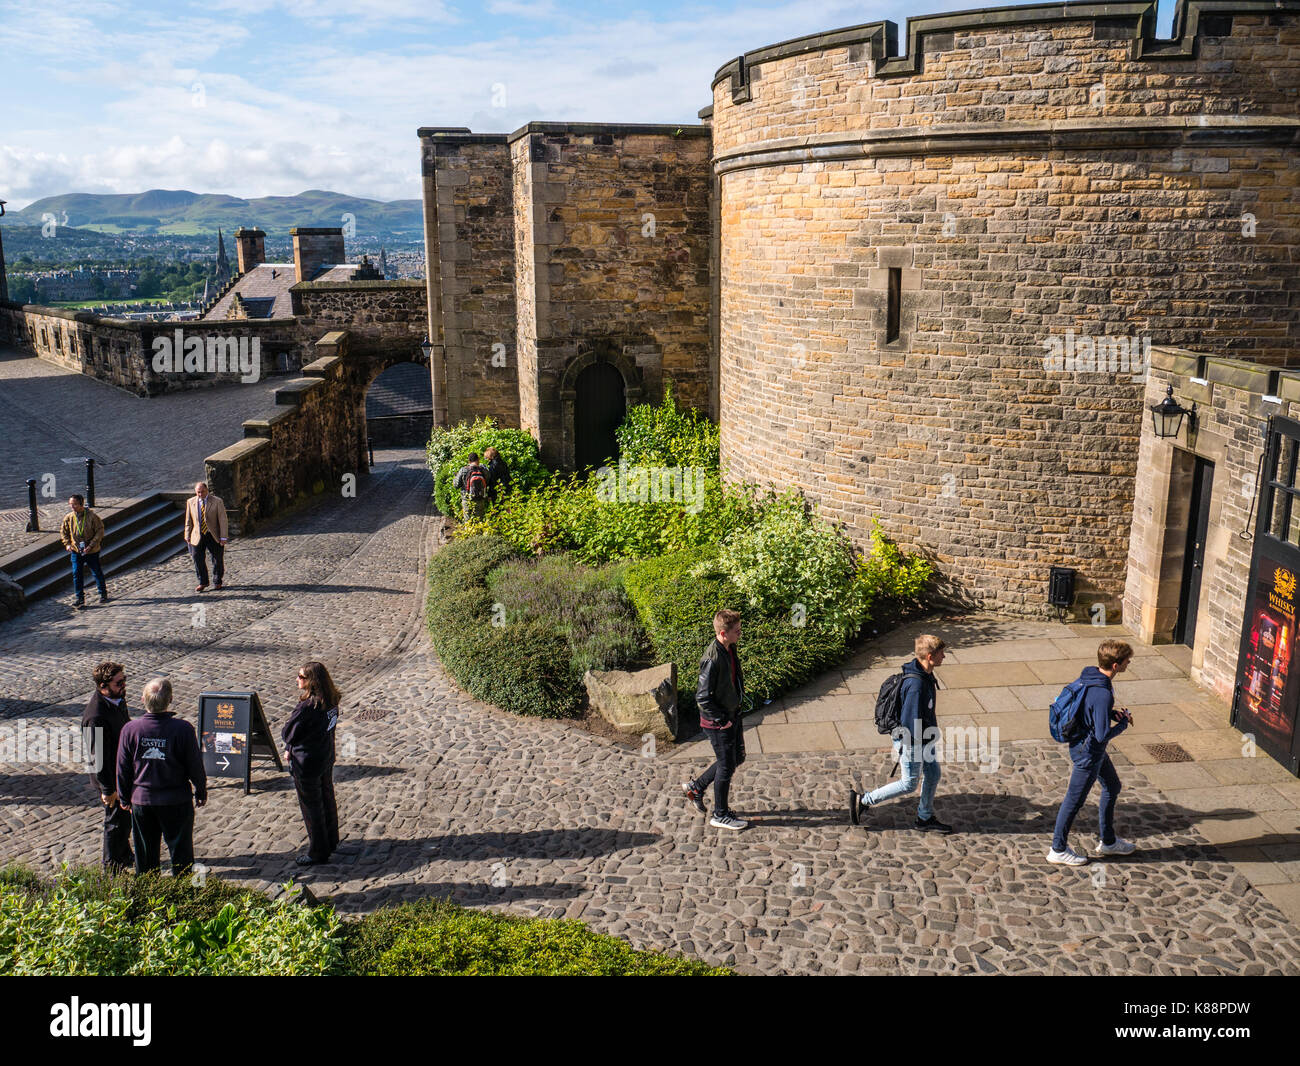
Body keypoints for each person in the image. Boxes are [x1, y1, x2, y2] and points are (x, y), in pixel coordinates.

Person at [848, 633, 953, 833]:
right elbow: (910, 723)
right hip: (914, 741)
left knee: (933, 774)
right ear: (930, 656)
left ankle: (924, 817)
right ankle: (864, 800)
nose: (944, 657)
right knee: (908, 784)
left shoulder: (924, 674)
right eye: (941, 654)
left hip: (924, 738)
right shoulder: (916, 685)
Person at [1047, 639, 1138, 866]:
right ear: (1116, 665)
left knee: (1113, 786)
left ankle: (1108, 841)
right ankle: (1057, 848)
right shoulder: (1103, 693)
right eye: (1127, 659)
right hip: (1088, 753)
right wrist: (1124, 723)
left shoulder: (1090, 676)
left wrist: (1112, 713)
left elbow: (1091, 709)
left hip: (1088, 748)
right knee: (1074, 801)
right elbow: (1101, 734)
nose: (1130, 662)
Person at [116, 677, 207, 875]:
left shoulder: (130, 730)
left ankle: (148, 893)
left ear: (142, 700)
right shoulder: (183, 729)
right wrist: (201, 790)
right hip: (176, 800)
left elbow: (123, 768)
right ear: (170, 699)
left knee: (145, 855)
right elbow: (194, 764)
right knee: (181, 853)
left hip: (143, 800)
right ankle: (183, 893)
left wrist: (124, 797)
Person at [683, 609, 749, 831]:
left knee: (736, 758)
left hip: (732, 714)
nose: (740, 634)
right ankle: (720, 815)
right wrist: (722, 720)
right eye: (737, 631)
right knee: (726, 765)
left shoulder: (729, 648)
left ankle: (696, 787)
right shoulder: (712, 659)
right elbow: (702, 697)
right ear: (723, 633)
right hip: (719, 722)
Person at [282, 661, 341, 866]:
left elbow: (288, 733)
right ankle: (331, 840)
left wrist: (290, 746)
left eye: (301, 677)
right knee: (327, 799)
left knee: (312, 807)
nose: (297, 680)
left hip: (307, 763)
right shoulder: (332, 700)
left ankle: (318, 851)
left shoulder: (307, 707)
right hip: (325, 756)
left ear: (312, 681)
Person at [81, 661, 133, 873]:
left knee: (124, 818)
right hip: (110, 778)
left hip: (121, 772)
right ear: (103, 686)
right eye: (119, 682)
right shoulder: (96, 717)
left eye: (124, 680)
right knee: (115, 821)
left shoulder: (116, 699)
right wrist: (107, 789)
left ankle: (125, 854)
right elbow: (98, 757)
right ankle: (111, 866)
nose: (123, 685)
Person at [60, 494, 108, 609]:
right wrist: (67, 544)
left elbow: (100, 531)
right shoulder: (69, 517)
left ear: (81, 504)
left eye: (75, 504)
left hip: (91, 551)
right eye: (70, 504)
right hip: (76, 551)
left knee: (96, 572)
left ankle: (103, 593)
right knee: (77, 573)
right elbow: (63, 532)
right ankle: (79, 597)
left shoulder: (92, 516)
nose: (72, 507)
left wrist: (91, 546)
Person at [183, 481, 229, 592]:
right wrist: (187, 534)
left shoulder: (217, 501)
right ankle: (203, 582)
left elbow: (223, 520)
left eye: (202, 492)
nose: (200, 494)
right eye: (198, 492)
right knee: (197, 558)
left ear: (207, 490)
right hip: (197, 535)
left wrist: (223, 537)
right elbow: (188, 520)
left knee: (217, 559)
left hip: (212, 534)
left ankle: (217, 580)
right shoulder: (191, 502)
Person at [453, 452, 491, 522]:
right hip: (480, 498)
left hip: (467, 499)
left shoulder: (463, 470)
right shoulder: (483, 470)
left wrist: (455, 477)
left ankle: (468, 532)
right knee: (479, 521)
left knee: (468, 521)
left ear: (469, 461)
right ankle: (479, 533)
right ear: (478, 459)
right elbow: (488, 481)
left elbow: (456, 485)